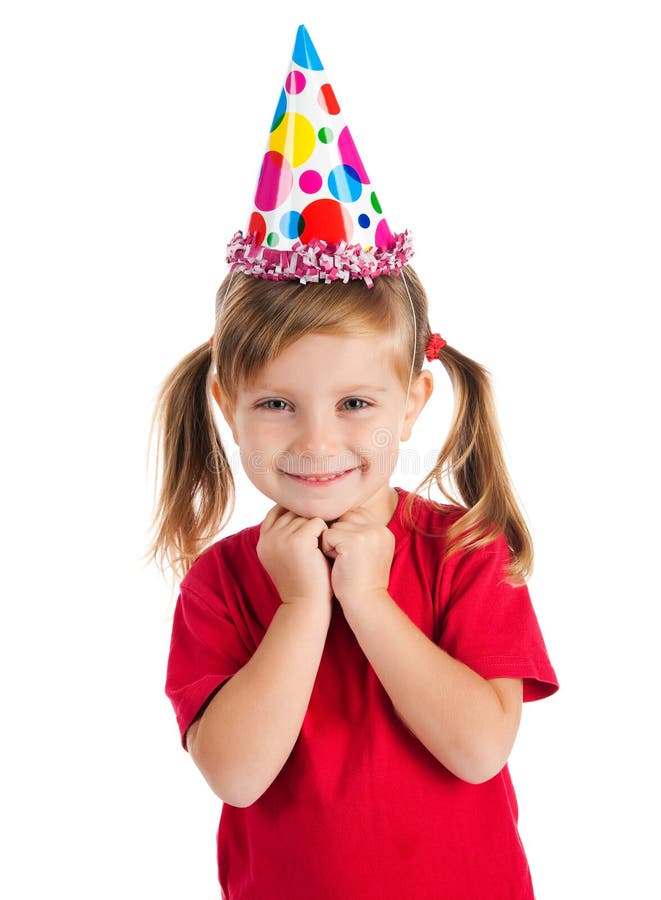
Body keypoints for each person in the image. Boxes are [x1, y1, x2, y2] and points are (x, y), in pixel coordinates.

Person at [147, 25, 559, 900]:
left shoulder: (464, 552)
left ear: (411, 400)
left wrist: (366, 599)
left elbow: (478, 748)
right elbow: (236, 777)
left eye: (355, 404)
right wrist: (304, 604)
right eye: (275, 404)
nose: (316, 441)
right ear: (226, 403)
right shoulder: (222, 583)